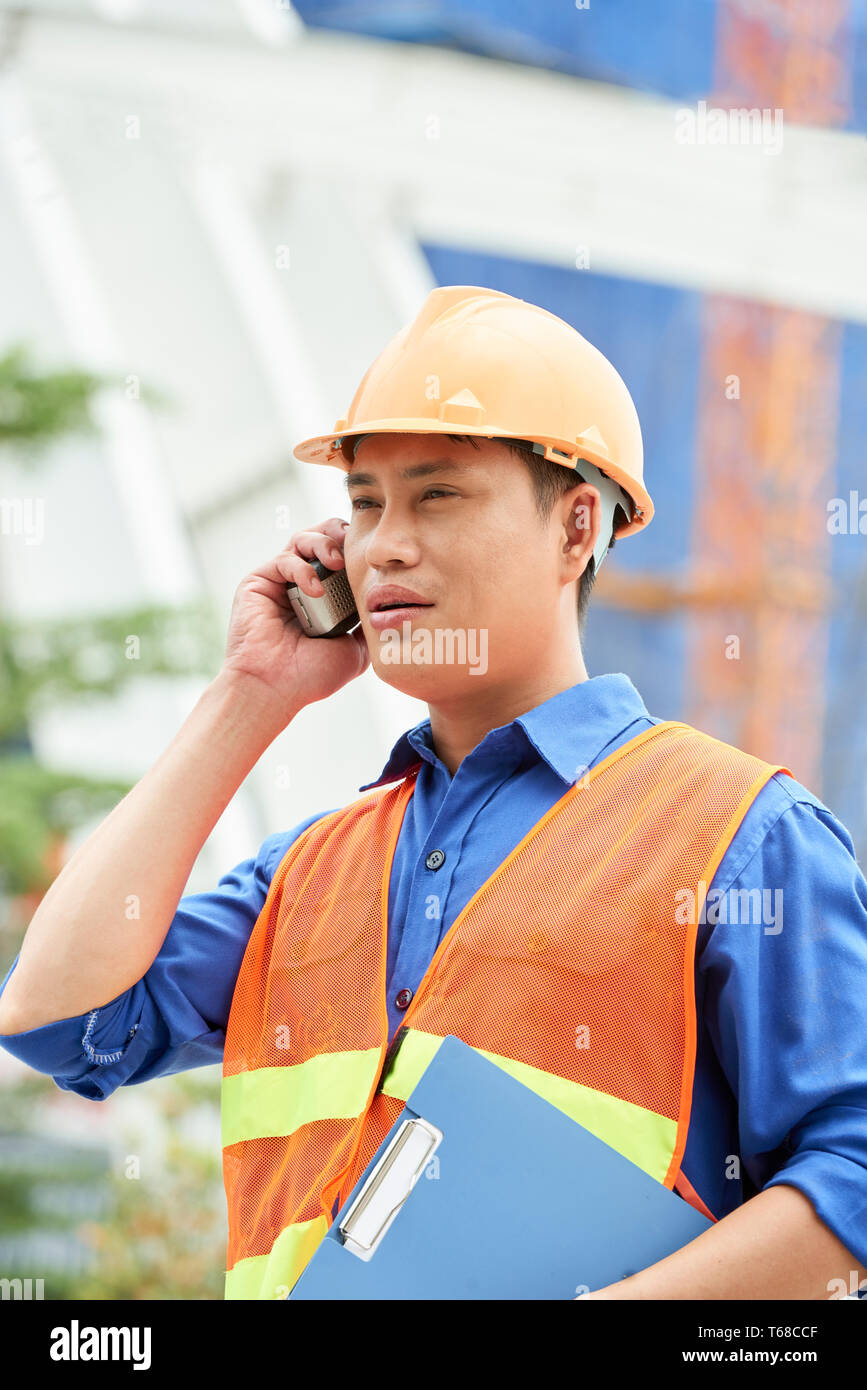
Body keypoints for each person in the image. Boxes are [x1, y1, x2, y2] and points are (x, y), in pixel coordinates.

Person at [1, 286, 866, 1303]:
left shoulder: (740, 837)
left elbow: (851, 1176)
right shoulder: (310, 870)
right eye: (364, 504)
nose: (383, 546)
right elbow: (62, 1019)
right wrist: (248, 697)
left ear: (577, 524)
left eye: (437, 496)